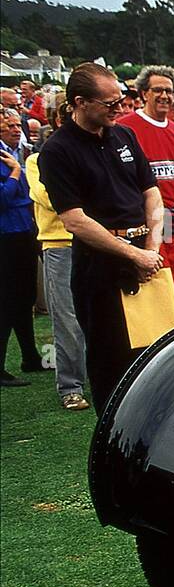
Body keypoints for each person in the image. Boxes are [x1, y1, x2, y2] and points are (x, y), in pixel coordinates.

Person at [36, 63, 167, 413]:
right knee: (110, 363)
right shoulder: (58, 150)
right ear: (80, 102)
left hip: (144, 255)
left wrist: (150, 249)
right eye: (110, 104)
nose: (119, 109)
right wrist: (133, 256)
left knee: (156, 354)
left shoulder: (124, 136)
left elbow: (151, 193)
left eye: (121, 100)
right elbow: (75, 220)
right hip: (100, 266)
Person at [24, 99, 90, 408]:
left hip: (93, 242)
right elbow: (50, 198)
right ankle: (69, 386)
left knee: (98, 314)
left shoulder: (87, 156)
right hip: (60, 245)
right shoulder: (37, 160)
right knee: (66, 318)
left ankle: (95, 374)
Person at [117, 65, 174, 312]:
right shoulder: (124, 128)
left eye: (169, 91)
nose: (165, 96)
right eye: (158, 90)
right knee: (147, 299)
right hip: (142, 226)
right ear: (143, 93)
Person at [0, 108, 44, 388]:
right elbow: (3, 198)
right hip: (5, 235)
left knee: (25, 296)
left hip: (24, 232)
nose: (17, 129)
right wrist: (16, 172)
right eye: (10, 125)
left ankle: (30, 356)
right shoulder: (12, 160)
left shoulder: (21, 152)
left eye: (18, 125)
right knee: (7, 301)